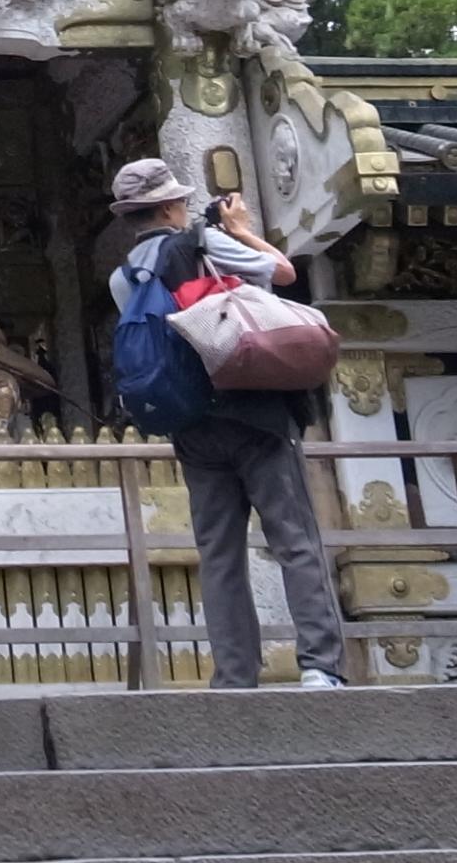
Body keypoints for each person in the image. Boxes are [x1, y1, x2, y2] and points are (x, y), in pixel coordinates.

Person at [106, 158, 347, 691]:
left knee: (218, 552)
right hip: (254, 410)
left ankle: (235, 675)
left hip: (191, 423)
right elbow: (283, 273)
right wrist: (238, 231)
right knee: (293, 538)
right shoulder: (201, 243)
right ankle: (320, 666)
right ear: (170, 205)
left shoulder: (124, 278)